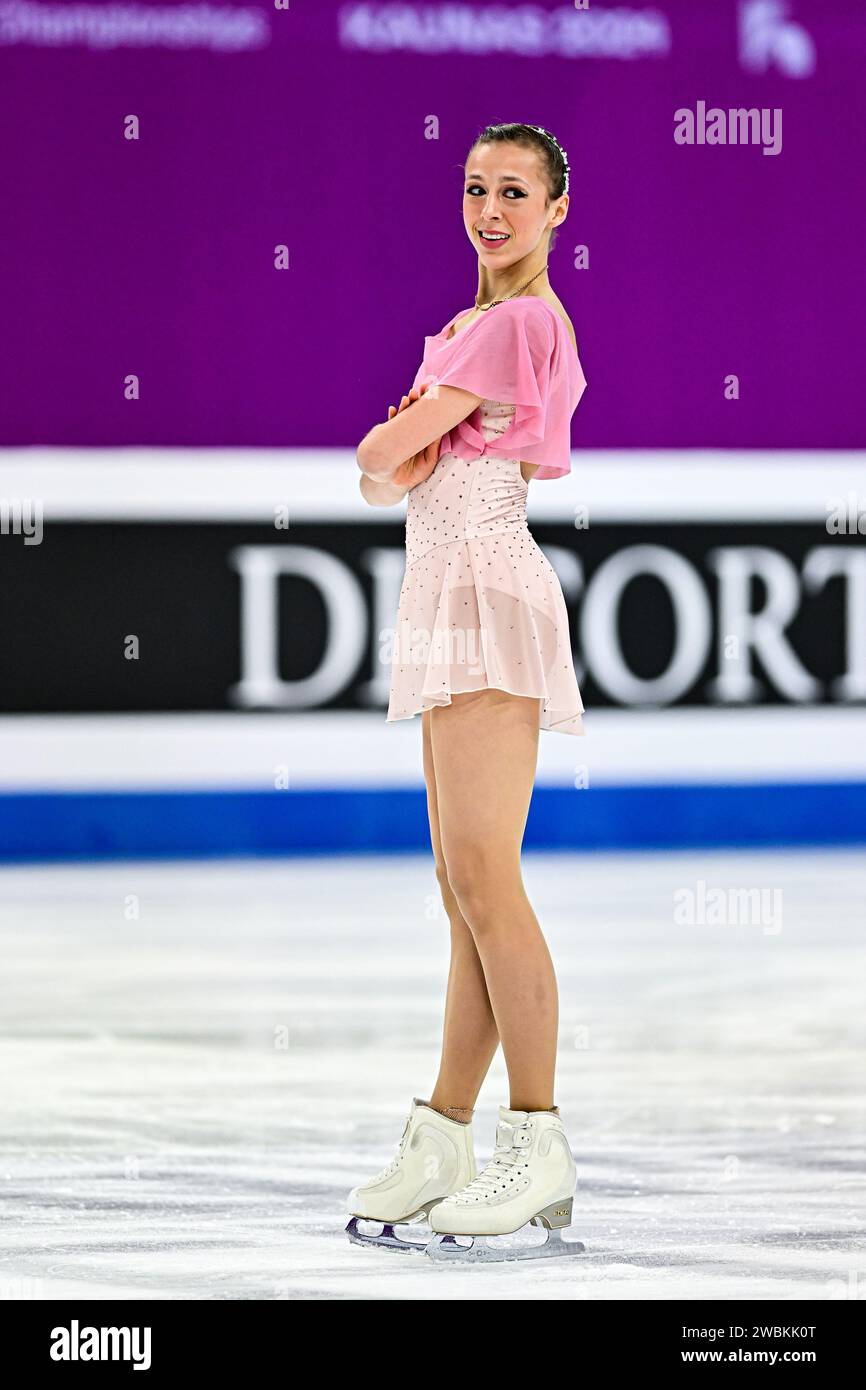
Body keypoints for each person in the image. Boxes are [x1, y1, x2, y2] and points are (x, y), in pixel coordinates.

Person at [348, 123, 589, 1262]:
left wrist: (400, 432)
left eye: (513, 192)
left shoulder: (510, 326)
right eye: (473, 187)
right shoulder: (472, 332)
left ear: (554, 212)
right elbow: (383, 468)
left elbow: (379, 453)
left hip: (487, 593)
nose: (489, 208)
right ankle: (444, 1130)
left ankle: (535, 1135)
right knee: (460, 886)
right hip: (448, 596)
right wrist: (397, 440)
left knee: (488, 877)